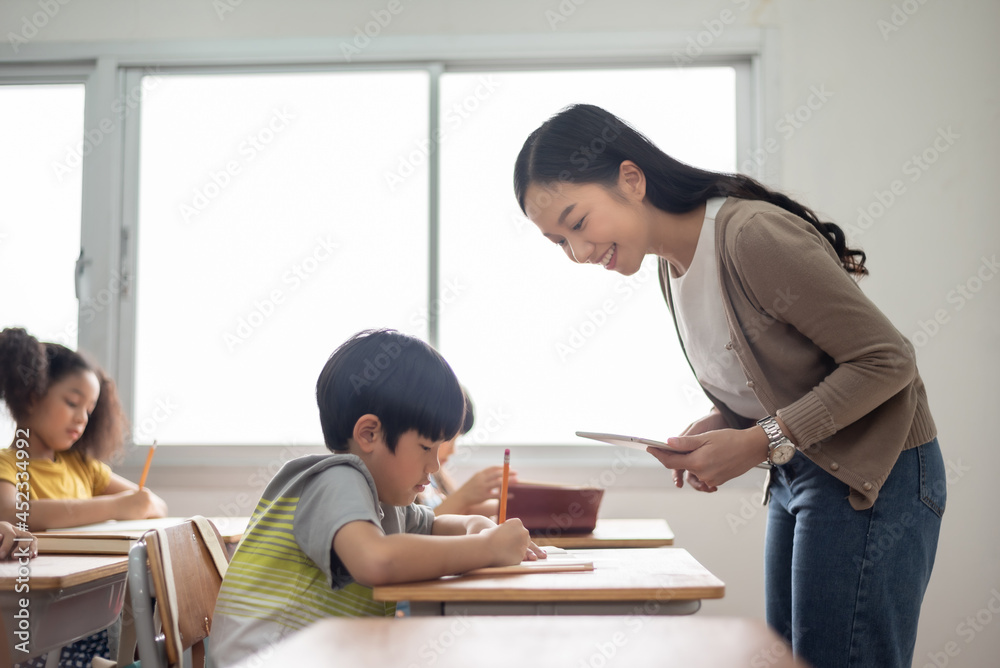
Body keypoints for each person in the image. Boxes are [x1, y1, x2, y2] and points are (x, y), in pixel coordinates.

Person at [514, 104, 943, 668]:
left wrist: (758, 441)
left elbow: (887, 360)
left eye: (577, 222)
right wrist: (720, 429)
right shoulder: (671, 266)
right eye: (558, 242)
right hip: (801, 470)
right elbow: (778, 384)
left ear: (631, 180)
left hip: (874, 472)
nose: (578, 252)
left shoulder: (748, 236)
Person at [211, 329, 543, 667]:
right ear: (369, 434)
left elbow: (434, 525)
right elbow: (377, 560)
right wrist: (486, 548)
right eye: (427, 447)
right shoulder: (335, 479)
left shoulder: (382, 498)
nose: (434, 465)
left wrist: (479, 525)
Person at [0, 327, 168, 667]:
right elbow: (14, 511)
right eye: (73, 402)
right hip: (37, 615)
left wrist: (137, 503)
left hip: (96, 604)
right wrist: (118, 507)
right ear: (31, 396)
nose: (82, 417)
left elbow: (155, 505)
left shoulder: (84, 467)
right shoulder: (7, 463)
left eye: (89, 409)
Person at [419, 387, 517, 517]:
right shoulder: (412, 480)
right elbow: (419, 530)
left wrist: (517, 505)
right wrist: (463, 496)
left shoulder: (436, 478)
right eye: (449, 440)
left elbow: (465, 510)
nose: (453, 451)